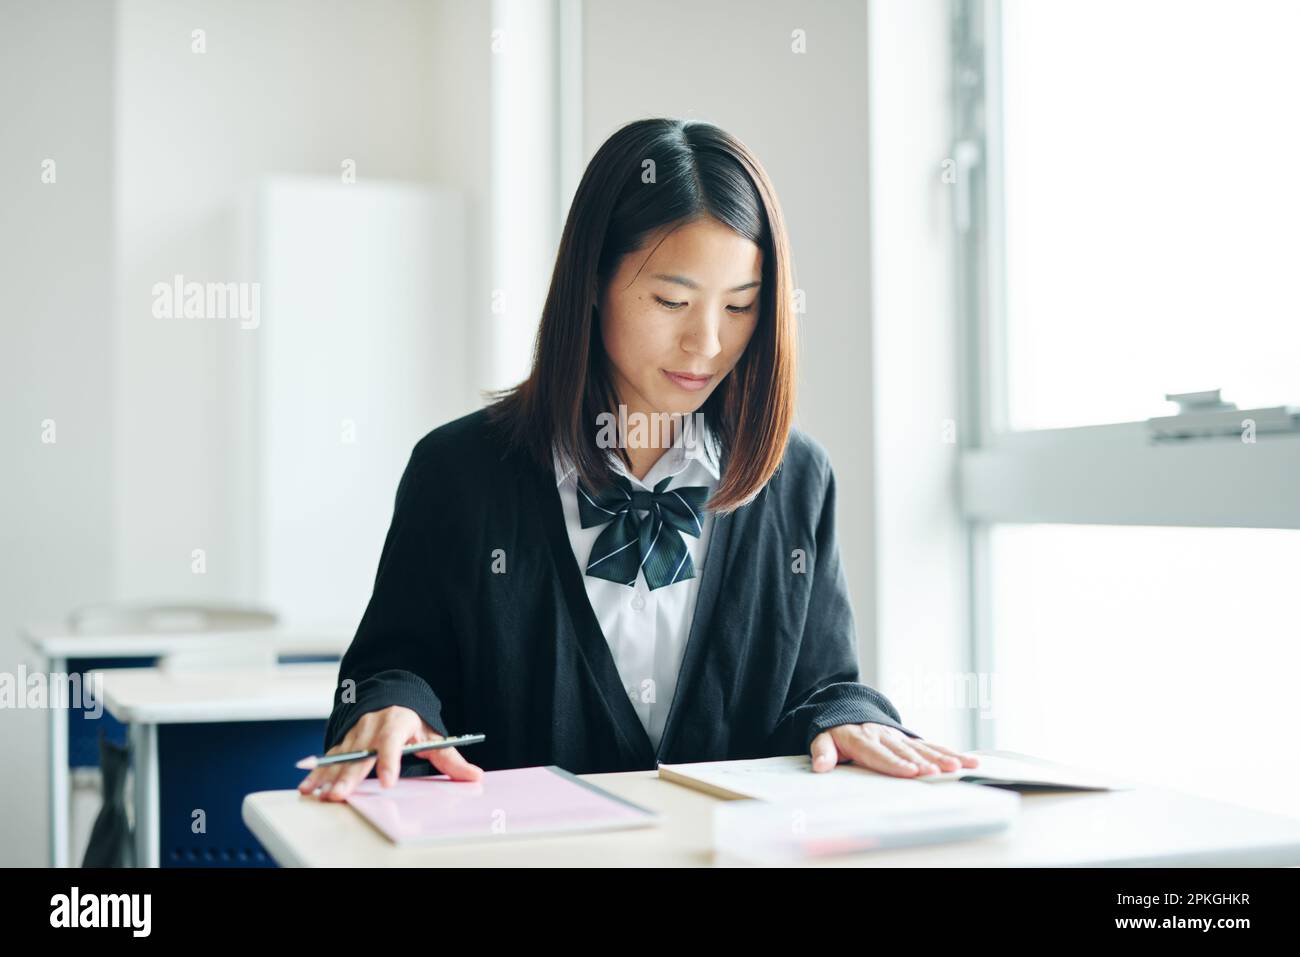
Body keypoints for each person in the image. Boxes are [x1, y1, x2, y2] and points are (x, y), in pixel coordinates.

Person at [300, 117, 977, 802]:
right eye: (672, 301)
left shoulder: (796, 478)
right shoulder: (458, 472)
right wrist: (392, 706)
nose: (707, 343)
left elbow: (821, 685)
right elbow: (395, 666)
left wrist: (848, 715)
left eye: (741, 306)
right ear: (592, 281)